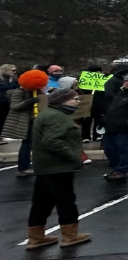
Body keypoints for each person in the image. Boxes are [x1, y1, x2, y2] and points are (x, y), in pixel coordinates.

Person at [25, 88, 90, 249]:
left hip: (46, 165)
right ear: (62, 101)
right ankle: (70, 235)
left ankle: (36, 237)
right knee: (65, 200)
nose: (77, 101)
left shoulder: (48, 114)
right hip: (58, 166)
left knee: (42, 201)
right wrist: (72, 156)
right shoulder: (57, 117)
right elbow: (51, 141)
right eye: (73, 99)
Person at [5, 69, 49, 177]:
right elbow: (14, 106)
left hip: (36, 120)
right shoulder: (18, 92)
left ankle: (34, 165)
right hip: (25, 122)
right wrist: (29, 102)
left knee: (35, 144)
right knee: (27, 144)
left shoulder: (36, 92)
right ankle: (23, 168)